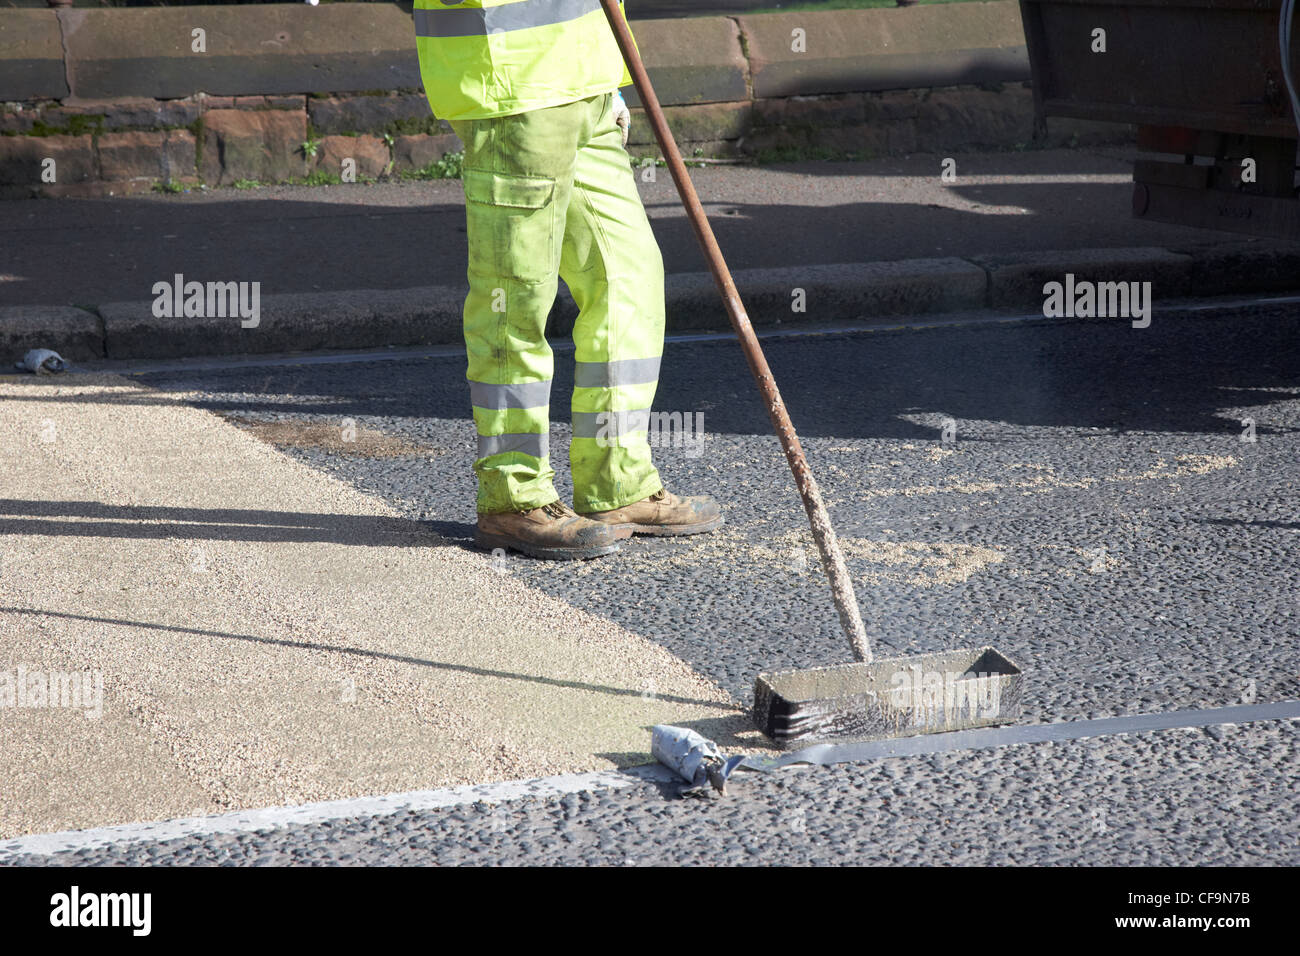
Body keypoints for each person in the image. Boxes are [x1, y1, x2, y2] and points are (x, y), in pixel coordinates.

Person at [413, 0, 722, 560]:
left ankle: (616, 480)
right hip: (513, 87)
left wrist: (609, 81)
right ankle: (513, 495)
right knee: (516, 299)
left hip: (588, 79)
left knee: (630, 278)